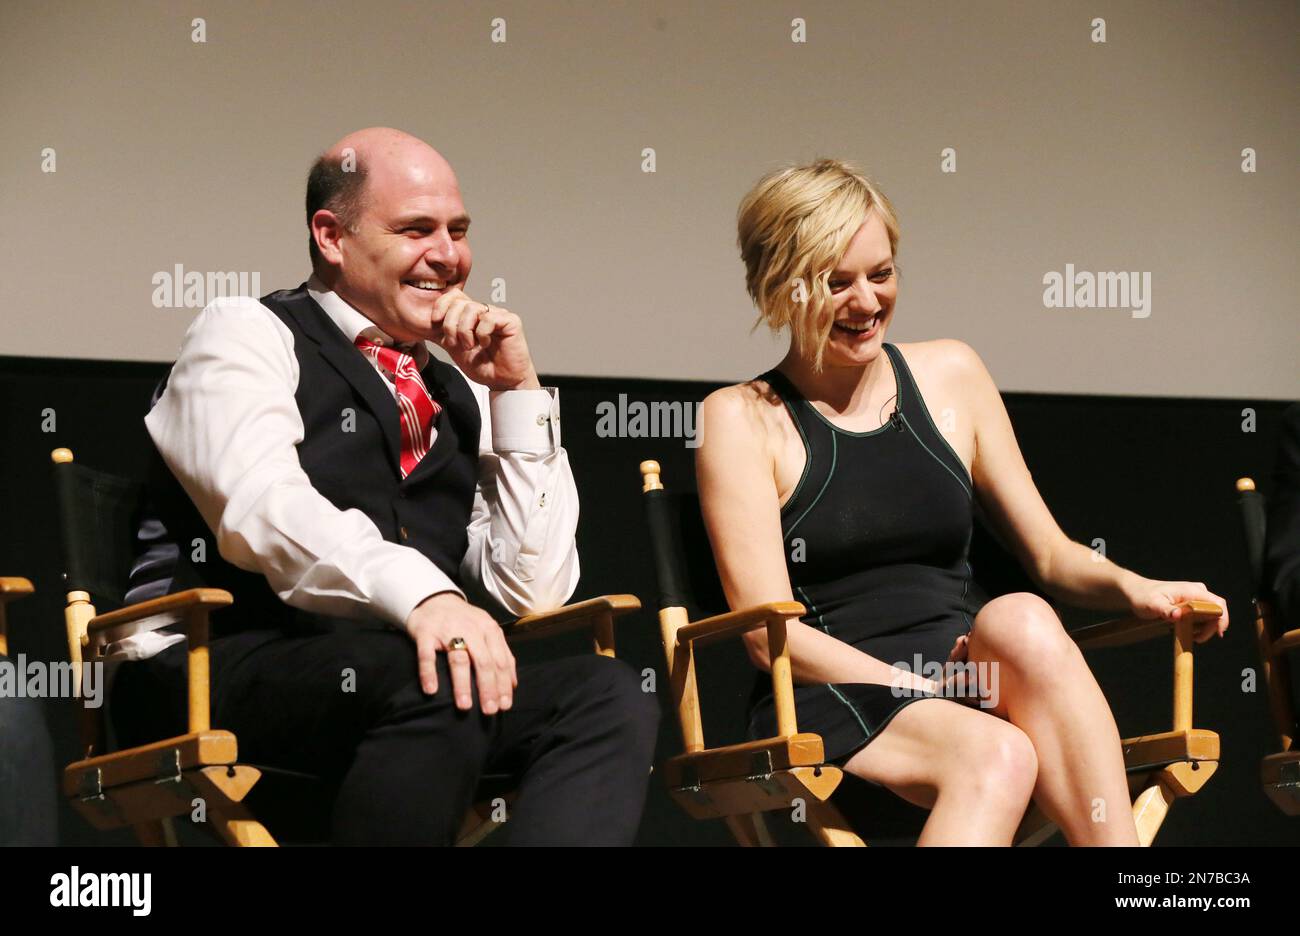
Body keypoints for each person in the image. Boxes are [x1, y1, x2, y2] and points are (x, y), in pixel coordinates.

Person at [109, 127, 658, 846]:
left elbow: (535, 590)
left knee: (607, 696)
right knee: (438, 677)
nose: (449, 255)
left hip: (397, 681)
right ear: (331, 236)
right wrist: (425, 595)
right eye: (415, 229)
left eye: (458, 230)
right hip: (211, 666)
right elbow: (259, 509)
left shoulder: (460, 383)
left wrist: (518, 394)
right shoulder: (246, 331)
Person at [696, 157, 1229, 846]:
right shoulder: (739, 418)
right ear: (781, 290)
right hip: (829, 692)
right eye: (837, 283)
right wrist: (909, 683)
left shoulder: (953, 372)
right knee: (999, 752)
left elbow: (1050, 553)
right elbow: (766, 636)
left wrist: (1140, 589)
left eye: (881, 274)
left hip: (961, 669)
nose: (866, 303)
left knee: (1024, 618)